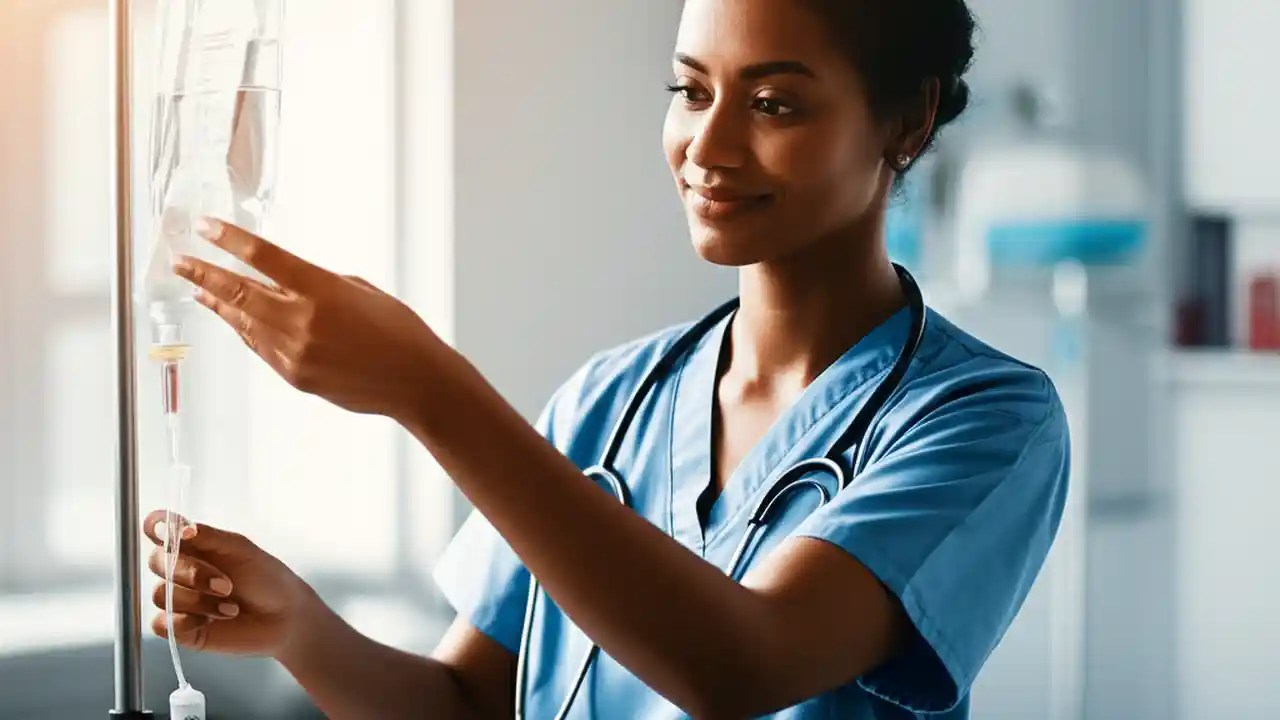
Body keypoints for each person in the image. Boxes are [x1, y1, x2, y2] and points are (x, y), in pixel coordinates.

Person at [144, 0, 1071, 717]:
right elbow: (466, 707)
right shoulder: (613, 398)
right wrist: (303, 631)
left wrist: (427, 389)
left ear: (907, 122)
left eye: (772, 104)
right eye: (690, 91)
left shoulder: (985, 418)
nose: (706, 148)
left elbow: (740, 667)